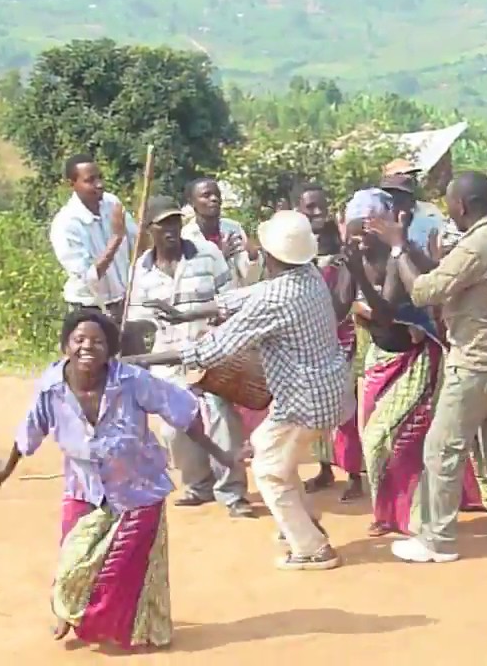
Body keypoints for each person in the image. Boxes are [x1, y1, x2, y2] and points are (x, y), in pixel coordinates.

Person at [0, 310, 236, 649]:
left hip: (137, 490)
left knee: (122, 571)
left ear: (110, 350)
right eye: (79, 340)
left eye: (98, 342)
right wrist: (7, 466)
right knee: (72, 561)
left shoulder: (132, 381)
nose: (88, 347)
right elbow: (32, 427)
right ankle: (68, 608)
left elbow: (182, 411)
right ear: (65, 346)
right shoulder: (52, 387)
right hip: (83, 487)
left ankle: (136, 626)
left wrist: (220, 455)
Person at [132, 209, 355, 571]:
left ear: (270, 254)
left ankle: (312, 548)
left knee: (268, 469)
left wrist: (147, 359)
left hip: (302, 402)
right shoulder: (308, 275)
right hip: (327, 391)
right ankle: (299, 523)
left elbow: (215, 349)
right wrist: (185, 314)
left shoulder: (276, 299)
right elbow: (246, 296)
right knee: (275, 454)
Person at [388, 171, 487, 563]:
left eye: (449, 203)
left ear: (461, 205)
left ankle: (436, 540)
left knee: (443, 447)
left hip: (477, 361)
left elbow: (424, 290)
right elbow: (450, 277)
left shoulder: (478, 245)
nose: (447, 210)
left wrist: (397, 247)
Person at [345, 212, 487, 536]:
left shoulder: (396, 262)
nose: (360, 242)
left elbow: (384, 313)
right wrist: (351, 285)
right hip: (379, 359)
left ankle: (408, 513)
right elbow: (344, 305)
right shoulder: (351, 265)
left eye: (365, 234)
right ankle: (389, 511)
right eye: (354, 237)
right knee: (384, 438)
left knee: (391, 438)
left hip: (416, 360)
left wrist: (360, 284)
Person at [126, 196, 254, 519]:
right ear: (149, 229)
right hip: (168, 359)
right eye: (162, 225)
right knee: (174, 428)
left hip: (210, 351)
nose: (170, 230)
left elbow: (229, 299)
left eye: (174, 222)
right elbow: (140, 324)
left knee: (221, 418)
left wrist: (221, 332)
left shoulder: (207, 255)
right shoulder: (140, 271)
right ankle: (199, 485)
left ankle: (233, 493)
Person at [294, 183, 363, 502]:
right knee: (317, 411)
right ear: (299, 212)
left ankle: (354, 473)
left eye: (321, 206)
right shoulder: (295, 257)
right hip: (309, 344)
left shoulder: (343, 256)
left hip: (342, 341)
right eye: (310, 208)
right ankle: (325, 467)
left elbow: (341, 306)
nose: (318, 212)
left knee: (345, 409)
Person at [49, 154, 138, 323]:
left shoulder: (112, 203)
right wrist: (116, 238)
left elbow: (136, 241)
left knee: (136, 348)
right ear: (72, 184)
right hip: (90, 309)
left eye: (100, 177)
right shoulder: (66, 224)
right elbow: (89, 276)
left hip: (124, 303)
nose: (100, 185)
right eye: (90, 180)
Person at [182, 177, 260, 287]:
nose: (214, 199)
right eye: (206, 195)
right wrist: (220, 256)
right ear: (192, 202)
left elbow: (250, 279)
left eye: (217, 194)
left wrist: (253, 257)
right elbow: (195, 282)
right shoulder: (187, 237)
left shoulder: (233, 228)